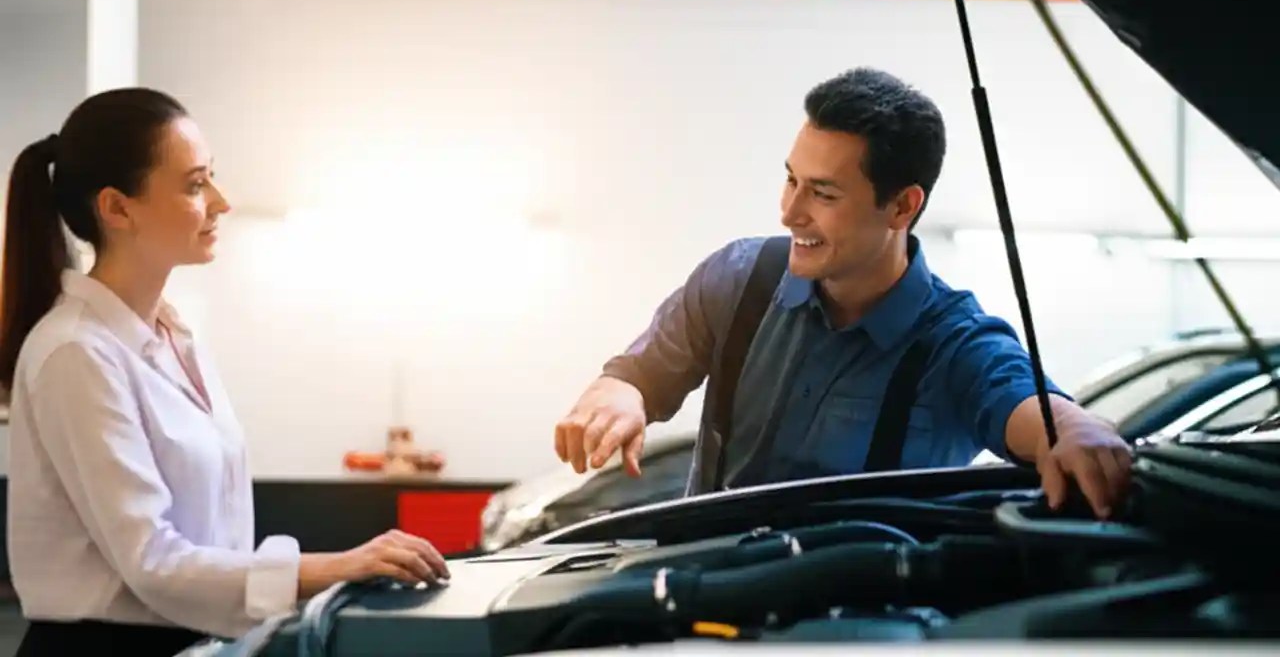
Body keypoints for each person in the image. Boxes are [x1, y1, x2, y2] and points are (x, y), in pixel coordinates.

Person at [555, 67, 1132, 520]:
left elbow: (1034, 410)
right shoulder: (739, 280)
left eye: (823, 194)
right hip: (697, 605)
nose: (789, 212)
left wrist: (1079, 432)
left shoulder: (953, 343)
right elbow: (635, 375)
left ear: (903, 206)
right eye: (790, 180)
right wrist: (618, 395)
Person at [0, 88, 451, 656]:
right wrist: (335, 567)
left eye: (211, 177)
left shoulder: (172, 338)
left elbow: (211, 541)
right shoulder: (75, 352)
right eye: (195, 184)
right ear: (117, 208)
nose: (221, 200)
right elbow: (152, 560)